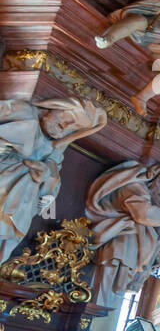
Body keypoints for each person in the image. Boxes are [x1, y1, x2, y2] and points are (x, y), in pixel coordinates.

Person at [0, 94, 106, 262]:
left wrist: (45, 174)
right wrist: (23, 160)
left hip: (16, 202)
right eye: (69, 118)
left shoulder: (54, 147)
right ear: (56, 105)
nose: (65, 127)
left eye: (73, 129)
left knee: (29, 181)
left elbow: (52, 176)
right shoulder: (24, 113)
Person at [85, 161, 160, 304]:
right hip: (120, 240)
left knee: (113, 291)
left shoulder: (158, 194)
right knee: (106, 285)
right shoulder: (135, 182)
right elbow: (143, 214)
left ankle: (100, 304)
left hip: (132, 248)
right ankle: (95, 304)